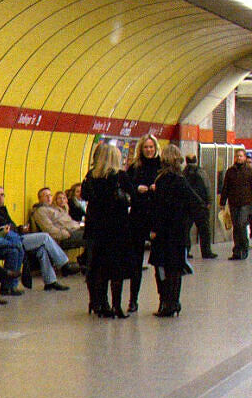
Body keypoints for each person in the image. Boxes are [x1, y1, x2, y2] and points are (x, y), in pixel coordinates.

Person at [148, 145, 209, 316]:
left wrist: (154, 228)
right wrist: (186, 218)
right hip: (177, 232)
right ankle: (173, 302)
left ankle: (164, 301)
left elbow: (158, 208)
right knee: (175, 269)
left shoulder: (161, 181)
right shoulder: (181, 180)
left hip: (162, 232)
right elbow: (196, 202)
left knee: (161, 269)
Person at [0, 185, 73, 291]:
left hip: (17, 237)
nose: (0, 197)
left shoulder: (2, 210)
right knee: (45, 237)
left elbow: (12, 226)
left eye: (2, 195)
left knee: (42, 249)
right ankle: (64, 264)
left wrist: (21, 228)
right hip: (11, 241)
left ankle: (50, 281)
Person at [83, 141, 135, 318]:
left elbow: (84, 196)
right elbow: (132, 196)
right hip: (117, 229)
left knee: (100, 269)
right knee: (117, 270)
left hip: (96, 229)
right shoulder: (120, 176)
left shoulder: (90, 177)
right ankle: (117, 306)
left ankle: (102, 304)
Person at [123, 134, 163, 312]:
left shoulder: (162, 167)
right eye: (146, 147)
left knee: (159, 259)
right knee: (135, 260)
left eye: (151, 147)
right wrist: (136, 188)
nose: (149, 150)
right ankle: (133, 300)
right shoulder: (135, 167)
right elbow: (126, 186)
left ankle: (163, 298)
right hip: (138, 217)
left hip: (156, 216)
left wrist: (157, 189)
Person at [218, 148, 252, 260]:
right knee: (236, 226)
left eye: (241, 156)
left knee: (241, 225)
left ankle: (244, 247)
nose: (239, 158)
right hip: (233, 202)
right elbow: (225, 187)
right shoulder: (230, 171)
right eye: (237, 156)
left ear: (245, 157)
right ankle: (237, 250)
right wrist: (222, 201)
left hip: (245, 203)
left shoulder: (251, 172)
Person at [182, 155, 218, 259]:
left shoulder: (183, 172)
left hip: (187, 206)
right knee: (204, 230)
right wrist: (209, 201)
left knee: (185, 230)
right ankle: (206, 252)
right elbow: (207, 186)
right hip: (200, 205)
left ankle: (185, 251)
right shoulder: (201, 172)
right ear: (196, 161)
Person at [31, 186, 86, 252]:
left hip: (75, 229)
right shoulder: (40, 211)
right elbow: (49, 229)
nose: (49, 198)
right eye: (46, 196)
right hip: (64, 236)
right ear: (40, 198)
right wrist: (65, 234)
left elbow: (67, 220)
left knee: (96, 230)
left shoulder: (54, 208)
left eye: (50, 195)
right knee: (92, 236)